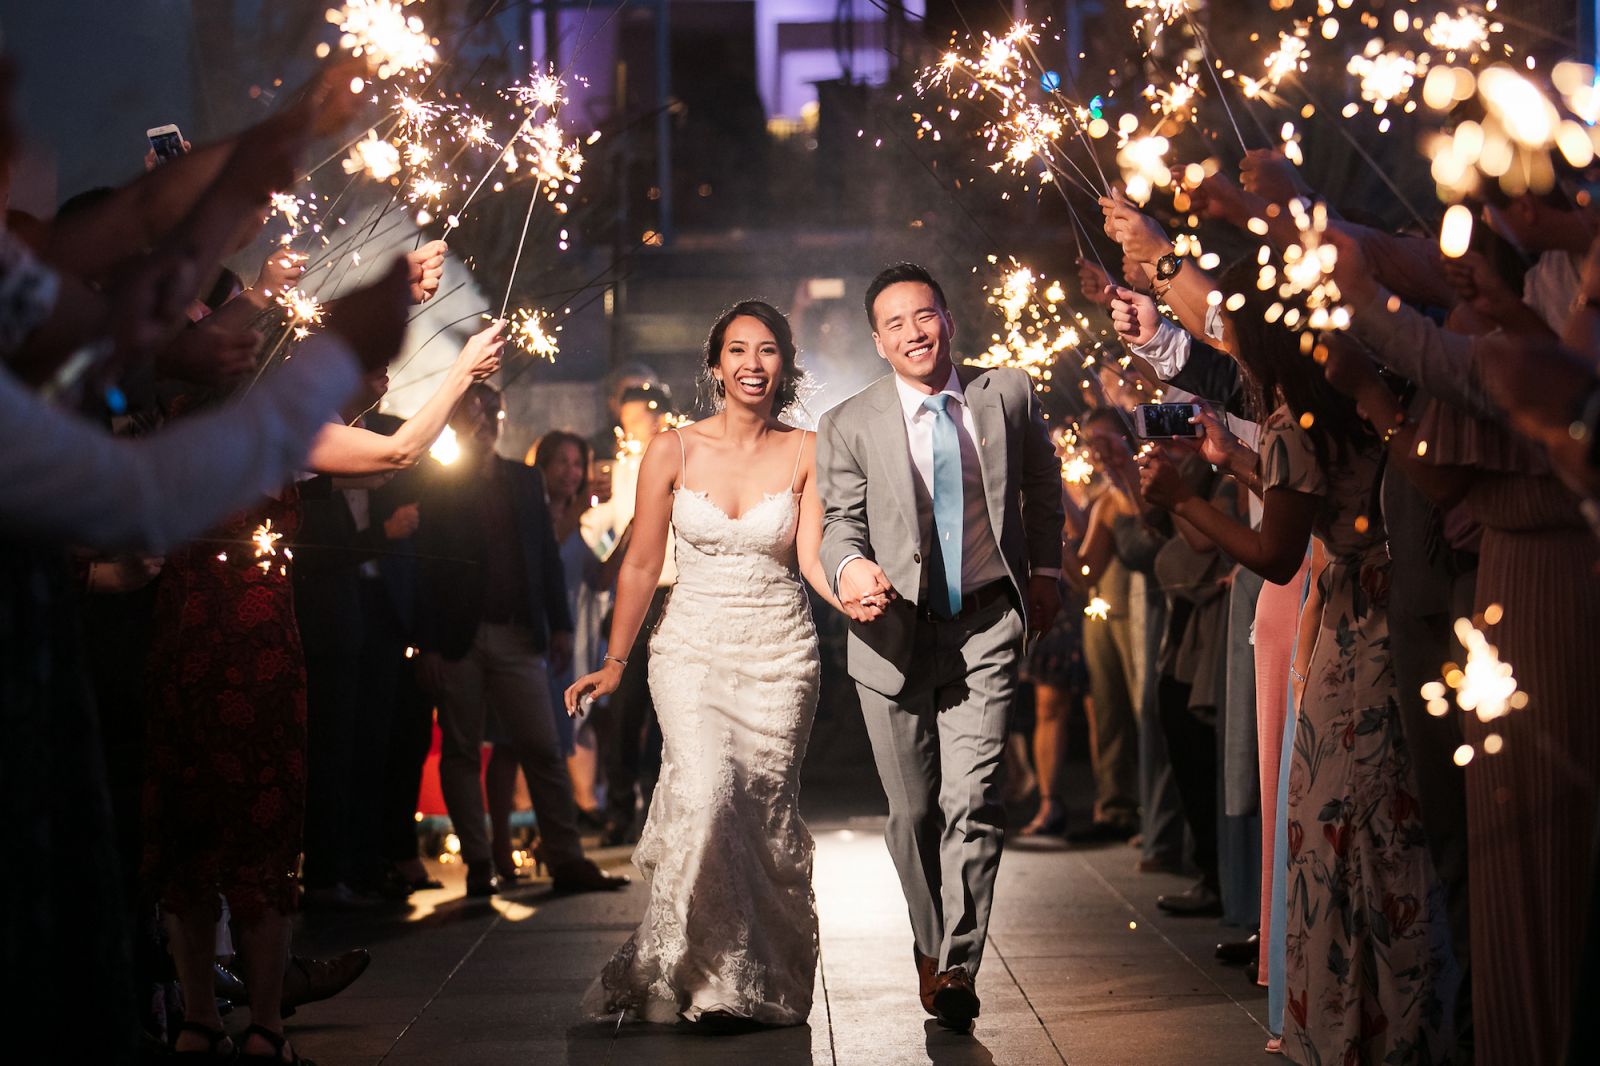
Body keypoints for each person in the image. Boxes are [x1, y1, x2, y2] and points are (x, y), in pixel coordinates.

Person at [1137, 278, 1458, 1063]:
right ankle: (1410, 1017)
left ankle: (1355, 1024)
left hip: (1354, 631)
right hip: (1391, 615)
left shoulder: (1289, 421)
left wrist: (1185, 496)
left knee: (1341, 823)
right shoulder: (1339, 408)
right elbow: (1313, 499)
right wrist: (1235, 461)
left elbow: (1276, 554)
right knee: (1391, 821)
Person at [567, 299, 835, 1027]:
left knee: (763, 809)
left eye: (769, 350)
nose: (754, 364)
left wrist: (856, 593)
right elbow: (640, 562)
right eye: (739, 351)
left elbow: (812, 557)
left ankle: (761, 975)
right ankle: (712, 978)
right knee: (711, 789)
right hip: (689, 649)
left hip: (782, 652)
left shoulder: (810, 450)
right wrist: (615, 660)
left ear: (785, 364)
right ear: (715, 366)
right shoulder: (672, 449)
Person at [816, 262, 1064, 1031]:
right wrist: (851, 568)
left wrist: (1048, 568)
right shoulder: (849, 422)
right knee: (914, 810)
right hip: (893, 636)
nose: (914, 333)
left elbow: (1042, 483)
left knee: (973, 800)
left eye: (924, 316)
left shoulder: (1008, 392)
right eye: (895, 324)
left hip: (986, 621)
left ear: (948, 320)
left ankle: (958, 962)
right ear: (877, 341)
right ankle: (930, 944)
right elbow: (838, 525)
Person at [413, 382, 626, 899]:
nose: (484, 422)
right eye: (473, 413)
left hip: (517, 631)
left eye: (491, 412)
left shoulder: (521, 480)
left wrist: (558, 624)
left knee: (544, 746)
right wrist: (429, 643)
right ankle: (480, 861)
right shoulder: (439, 482)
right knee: (464, 750)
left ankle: (567, 857)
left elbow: (545, 560)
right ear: (457, 421)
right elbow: (425, 568)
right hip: (458, 635)